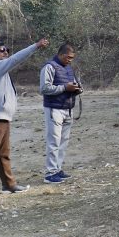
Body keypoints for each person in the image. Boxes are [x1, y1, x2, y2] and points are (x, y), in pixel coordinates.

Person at [0, 37, 49, 202]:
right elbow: (16, 59)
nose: (5, 53)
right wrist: (35, 46)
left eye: (7, 50)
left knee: (3, 154)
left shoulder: (0, 69)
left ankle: (9, 184)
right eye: (2, 50)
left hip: (2, 119)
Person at [40, 43, 81, 184]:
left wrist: (76, 89)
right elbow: (44, 88)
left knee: (63, 142)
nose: (70, 60)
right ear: (61, 54)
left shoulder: (68, 68)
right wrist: (64, 87)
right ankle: (50, 173)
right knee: (54, 141)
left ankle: (57, 169)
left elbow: (71, 84)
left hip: (68, 108)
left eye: (72, 58)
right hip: (54, 109)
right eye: (68, 57)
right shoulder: (49, 67)